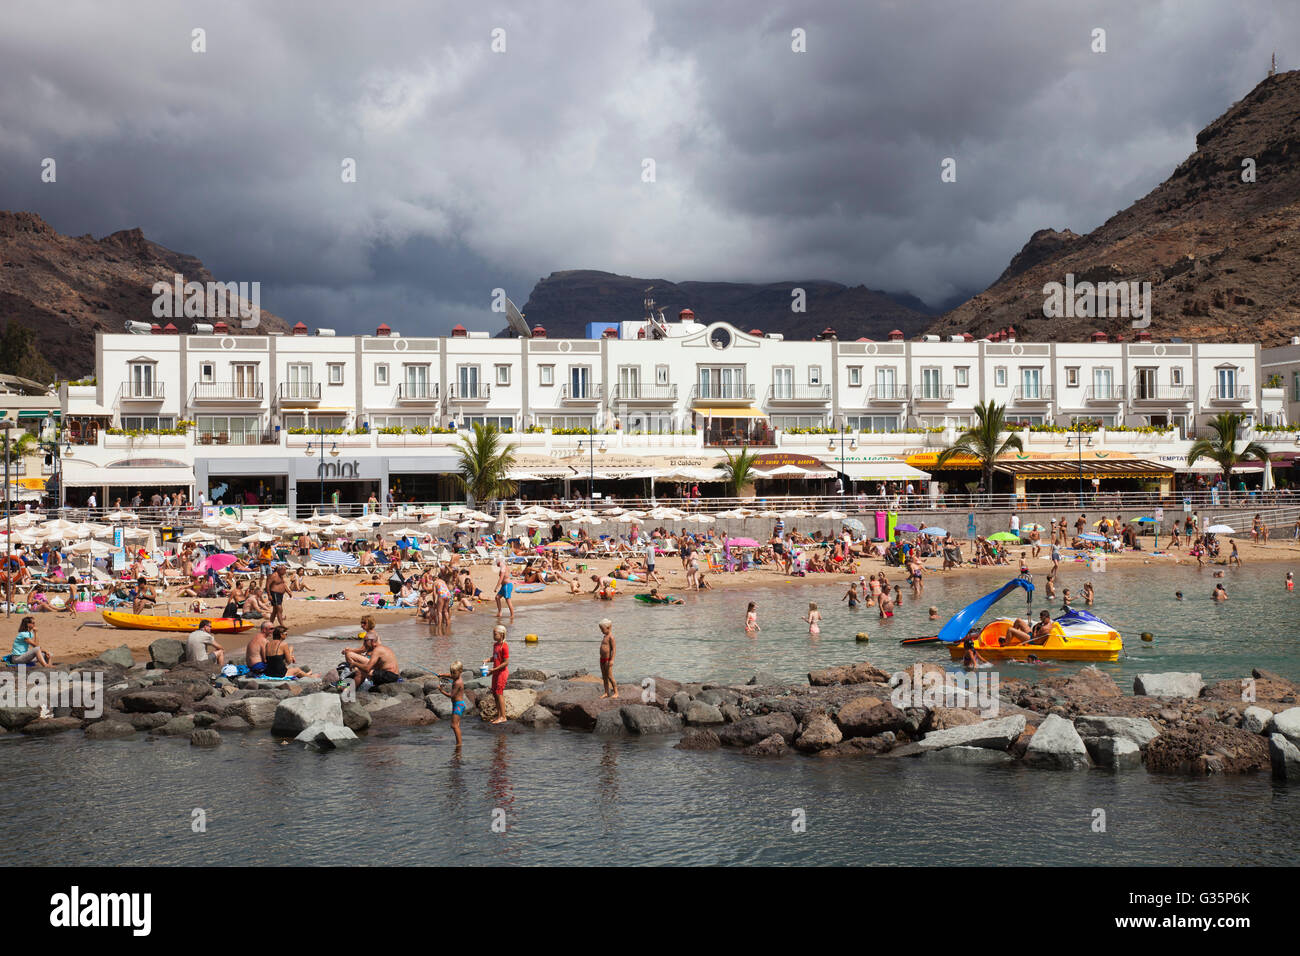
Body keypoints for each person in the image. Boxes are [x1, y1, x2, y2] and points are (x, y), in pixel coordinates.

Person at [436, 661, 467, 748]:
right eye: (451, 672)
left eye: (454, 672)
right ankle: (458, 742)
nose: (452, 674)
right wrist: (442, 675)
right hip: (457, 704)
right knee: (456, 725)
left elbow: (451, 695)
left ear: (460, 671)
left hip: (458, 705)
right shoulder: (456, 677)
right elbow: (449, 676)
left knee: (454, 725)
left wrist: (441, 691)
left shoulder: (458, 683)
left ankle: (459, 744)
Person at [484, 624, 510, 723]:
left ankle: (503, 716)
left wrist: (494, 670)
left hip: (502, 673)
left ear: (502, 635)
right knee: (495, 693)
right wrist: (488, 659)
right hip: (495, 672)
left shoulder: (505, 646)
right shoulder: (495, 645)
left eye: (495, 634)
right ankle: (499, 715)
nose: (493, 636)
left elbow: (506, 662)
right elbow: (495, 657)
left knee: (499, 693)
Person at [598, 618, 617, 699]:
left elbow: (614, 649)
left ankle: (616, 692)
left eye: (602, 629)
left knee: (610, 676)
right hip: (602, 659)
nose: (601, 631)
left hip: (607, 660)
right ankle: (606, 692)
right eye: (601, 629)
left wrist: (612, 660)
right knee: (604, 677)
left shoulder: (611, 637)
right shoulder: (605, 636)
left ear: (608, 627)